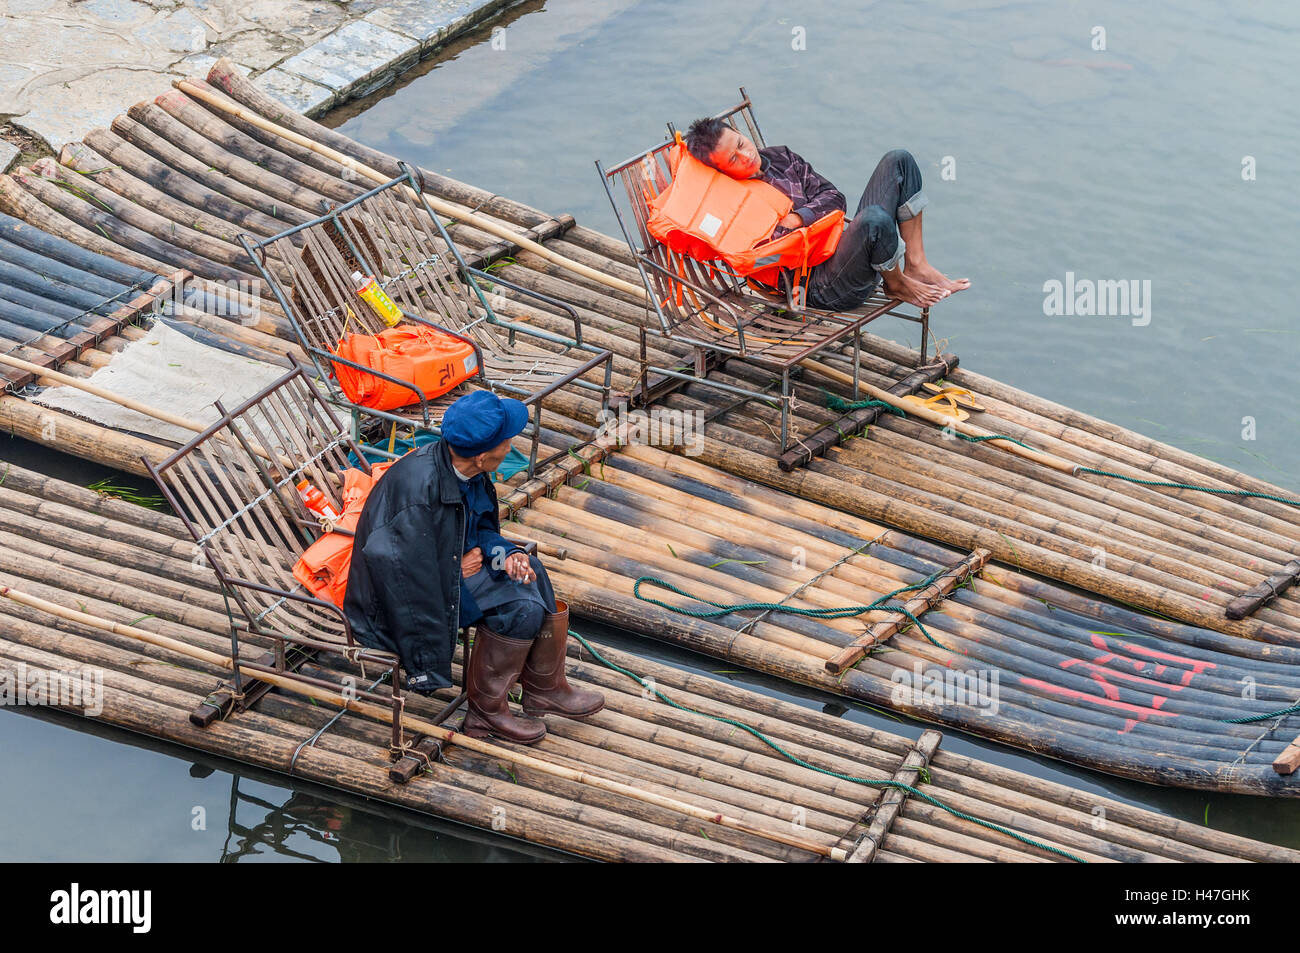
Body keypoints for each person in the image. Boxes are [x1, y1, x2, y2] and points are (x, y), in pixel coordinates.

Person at [342, 390, 603, 744]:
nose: (510, 445)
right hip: (402, 606)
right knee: (520, 609)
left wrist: (504, 554)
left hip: (447, 574)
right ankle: (485, 714)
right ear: (482, 456)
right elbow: (400, 578)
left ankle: (545, 688)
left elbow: (480, 528)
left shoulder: (468, 472)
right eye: (505, 441)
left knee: (533, 570)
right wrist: (452, 571)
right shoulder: (418, 491)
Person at [682, 117, 969, 311]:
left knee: (899, 161)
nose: (746, 156)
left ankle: (916, 264)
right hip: (819, 286)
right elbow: (763, 256)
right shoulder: (733, 203)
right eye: (733, 159)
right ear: (720, 171)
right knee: (874, 221)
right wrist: (791, 234)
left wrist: (800, 218)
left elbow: (834, 197)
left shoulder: (781, 157)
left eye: (742, 144)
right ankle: (895, 285)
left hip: (842, 249)